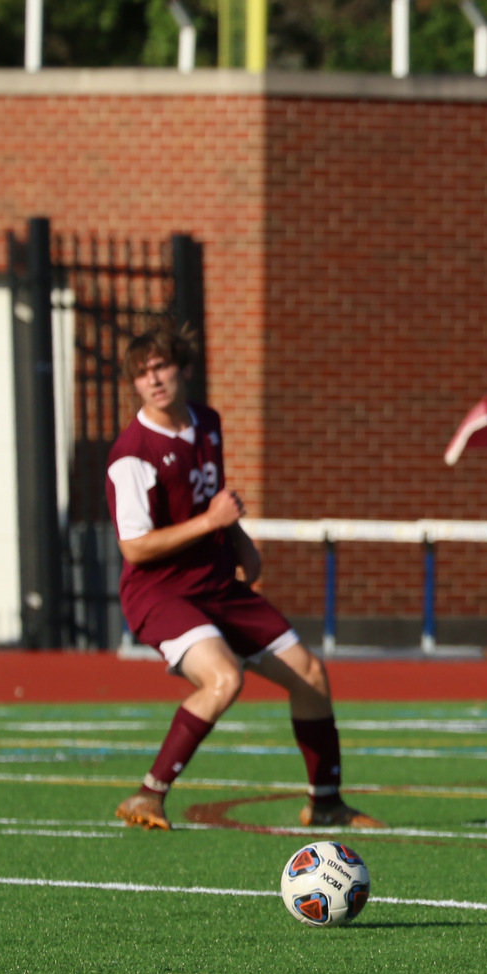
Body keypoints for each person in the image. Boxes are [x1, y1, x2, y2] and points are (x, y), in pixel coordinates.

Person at [105, 324, 379, 831]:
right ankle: (147, 795)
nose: (154, 380)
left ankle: (325, 803)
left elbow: (214, 501)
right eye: (142, 373)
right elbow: (135, 547)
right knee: (224, 677)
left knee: (311, 675)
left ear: (184, 368)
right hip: (161, 592)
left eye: (161, 367)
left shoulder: (207, 422)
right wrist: (212, 522)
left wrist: (238, 540)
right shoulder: (133, 454)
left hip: (217, 585)